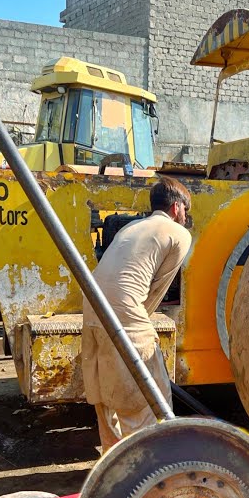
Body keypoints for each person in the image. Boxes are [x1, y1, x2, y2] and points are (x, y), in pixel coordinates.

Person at [81, 176, 193, 453]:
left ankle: (112, 458)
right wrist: (144, 327)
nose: (185, 217)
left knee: (107, 396)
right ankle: (145, 464)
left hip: (92, 303)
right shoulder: (179, 234)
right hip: (125, 308)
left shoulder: (132, 226)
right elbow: (157, 289)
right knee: (149, 393)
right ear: (177, 208)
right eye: (185, 212)